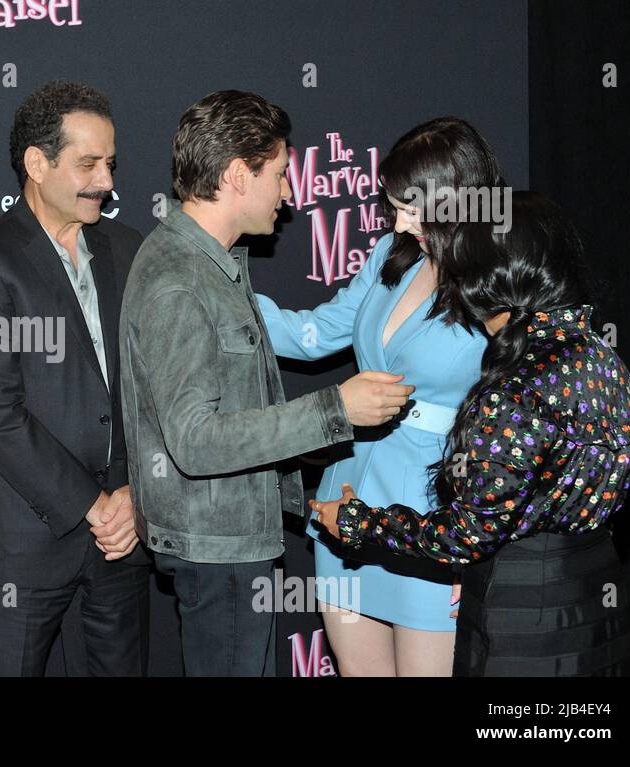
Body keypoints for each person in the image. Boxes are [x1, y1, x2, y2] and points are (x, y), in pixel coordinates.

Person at [120, 90, 411, 676]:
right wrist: (336, 407)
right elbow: (196, 441)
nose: (288, 193)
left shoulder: (214, 265)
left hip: (229, 538)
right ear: (235, 175)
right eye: (279, 174)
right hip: (216, 548)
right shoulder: (179, 281)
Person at [313, 192, 630, 676]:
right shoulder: (603, 359)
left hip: (522, 616)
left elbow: (469, 533)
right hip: (596, 606)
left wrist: (360, 523)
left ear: (487, 282)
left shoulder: (514, 390)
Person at [255, 117, 503, 676]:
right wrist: (225, 304)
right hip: (349, 497)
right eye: (393, 206)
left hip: (434, 514)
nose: (399, 221)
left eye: (411, 207)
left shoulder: (498, 281)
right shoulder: (392, 258)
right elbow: (314, 334)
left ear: (457, 199)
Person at [0, 80, 149, 676]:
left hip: (124, 537)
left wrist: (135, 493)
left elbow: (153, 387)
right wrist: (92, 503)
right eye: (87, 164)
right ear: (37, 164)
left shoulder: (129, 249)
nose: (106, 182)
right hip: (29, 542)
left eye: (109, 164)